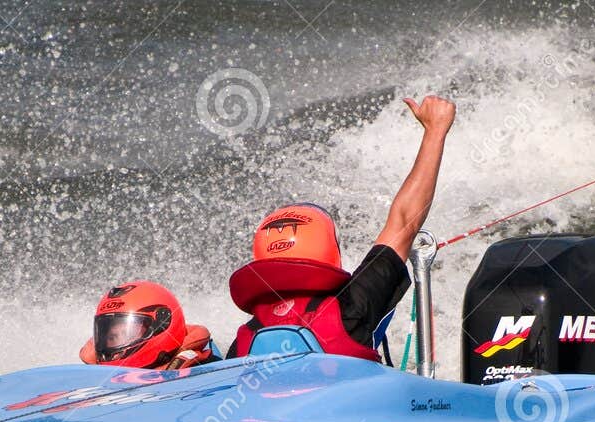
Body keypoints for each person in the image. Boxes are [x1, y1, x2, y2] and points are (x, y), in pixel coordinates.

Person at [227, 94, 457, 361]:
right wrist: (435, 130)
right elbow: (406, 219)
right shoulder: (352, 306)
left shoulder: (243, 339)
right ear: (327, 249)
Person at [78, 281, 217, 370]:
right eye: (112, 337)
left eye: (127, 333)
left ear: (161, 324)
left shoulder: (205, 371)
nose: (117, 344)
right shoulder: (92, 378)